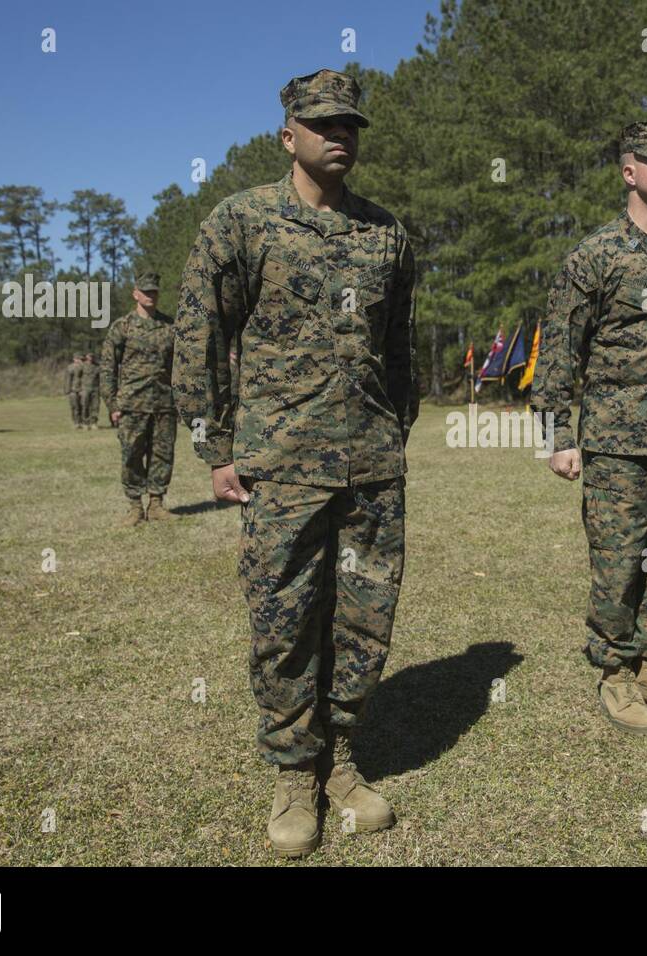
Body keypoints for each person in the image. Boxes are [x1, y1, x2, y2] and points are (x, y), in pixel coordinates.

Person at [173, 68, 417, 858]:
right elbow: (199, 333)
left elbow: (401, 350)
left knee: (363, 623)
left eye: (350, 125)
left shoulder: (386, 233)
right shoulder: (241, 222)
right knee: (284, 625)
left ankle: (342, 759)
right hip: (280, 465)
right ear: (290, 136)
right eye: (323, 125)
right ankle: (292, 771)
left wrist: (394, 430)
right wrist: (215, 447)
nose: (339, 135)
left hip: (372, 468)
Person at [532, 119, 647, 737]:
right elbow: (558, 349)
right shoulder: (596, 255)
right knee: (618, 563)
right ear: (630, 172)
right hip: (617, 445)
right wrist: (557, 437)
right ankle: (613, 671)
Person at [101, 273, 177, 526]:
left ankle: (156, 504)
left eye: (154, 291)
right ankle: (135, 506)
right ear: (135, 294)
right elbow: (107, 369)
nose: (150, 295)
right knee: (131, 454)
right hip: (132, 403)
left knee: (162, 455)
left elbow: (179, 367)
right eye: (145, 291)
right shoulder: (122, 327)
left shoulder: (169, 327)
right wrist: (112, 404)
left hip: (164, 403)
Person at [79, 353, 101, 429]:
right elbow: (78, 377)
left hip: (95, 388)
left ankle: (94, 423)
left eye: (92, 356)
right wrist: (79, 389)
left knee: (95, 406)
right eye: (89, 356)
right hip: (85, 388)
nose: (90, 358)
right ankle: (85, 423)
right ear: (86, 357)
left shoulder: (97, 366)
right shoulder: (82, 366)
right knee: (85, 406)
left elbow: (101, 378)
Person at [65, 354, 83, 428]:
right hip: (73, 390)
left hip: (81, 389)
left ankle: (81, 421)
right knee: (74, 407)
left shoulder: (83, 366)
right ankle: (76, 422)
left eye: (79, 359)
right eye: (77, 358)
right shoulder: (70, 367)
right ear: (74, 359)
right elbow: (67, 379)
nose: (78, 360)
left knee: (82, 406)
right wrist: (67, 390)